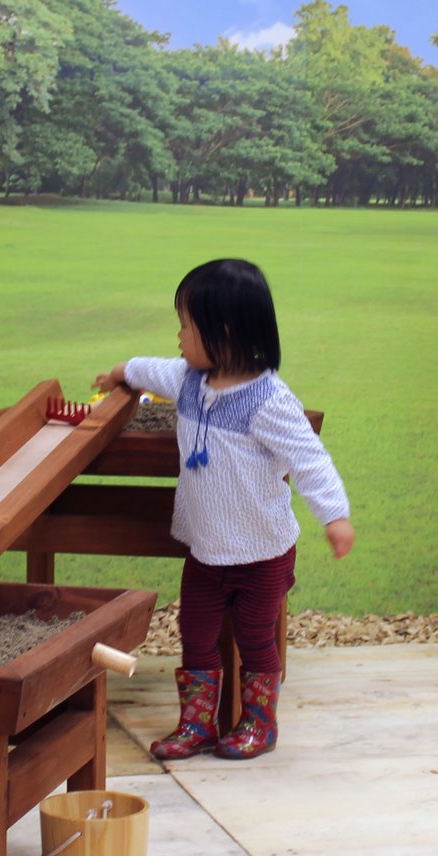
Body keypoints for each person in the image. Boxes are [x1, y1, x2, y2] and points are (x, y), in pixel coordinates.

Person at [94, 258, 354, 761]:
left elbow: (310, 461)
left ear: (224, 332)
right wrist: (119, 373)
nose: (178, 336)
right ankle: (197, 724)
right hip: (207, 550)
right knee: (195, 633)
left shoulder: (268, 400)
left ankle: (259, 722)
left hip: (261, 552)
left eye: (186, 326)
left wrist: (335, 516)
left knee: (255, 638)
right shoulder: (192, 380)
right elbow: (150, 369)